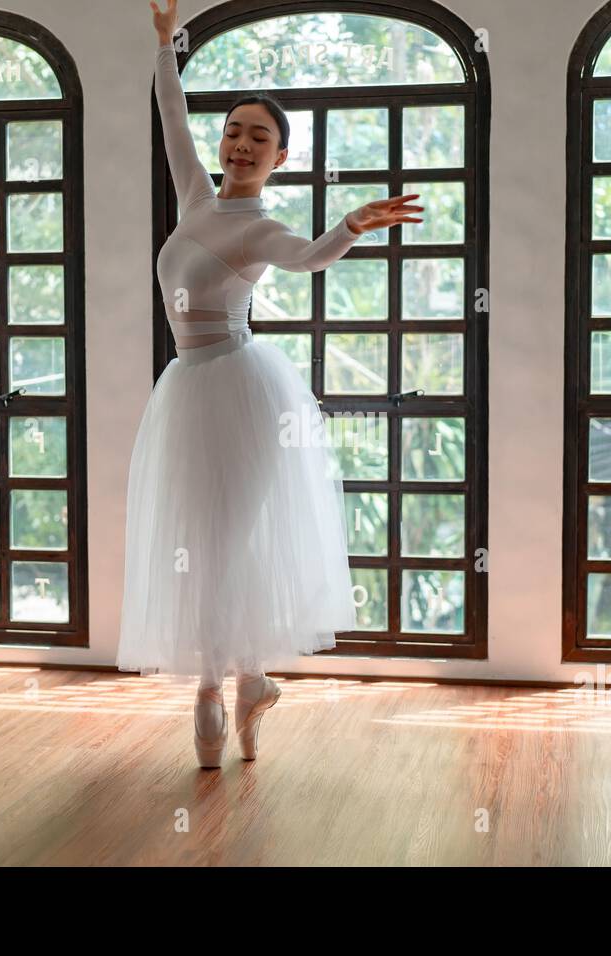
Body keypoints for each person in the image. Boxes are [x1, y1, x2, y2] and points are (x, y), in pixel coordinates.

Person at [120, 0, 424, 768]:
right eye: (235, 131)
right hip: (186, 389)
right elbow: (170, 116)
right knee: (201, 544)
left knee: (219, 546)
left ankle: (211, 692)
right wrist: (165, 44)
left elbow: (308, 256)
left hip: (241, 395)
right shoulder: (195, 196)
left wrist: (352, 224)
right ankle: (250, 682)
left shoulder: (259, 229)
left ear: (280, 157)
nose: (242, 143)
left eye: (261, 137)